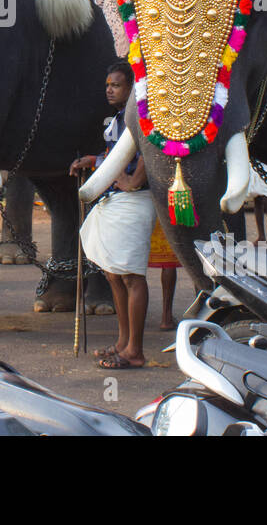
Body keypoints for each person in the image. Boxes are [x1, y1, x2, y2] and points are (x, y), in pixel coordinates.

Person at [70, 62, 152, 370]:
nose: (109, 89)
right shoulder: (118, 120)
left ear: (132, 89)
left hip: (133, 200)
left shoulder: (144, 116)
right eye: (107, 84)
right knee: (114, 273)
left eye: (116, 85)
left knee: (131, 275)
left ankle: (136, 351)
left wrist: (133, 182)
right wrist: (92, 161)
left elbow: (147, 151)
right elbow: (118, 153)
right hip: (115, 199)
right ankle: (123, 342)